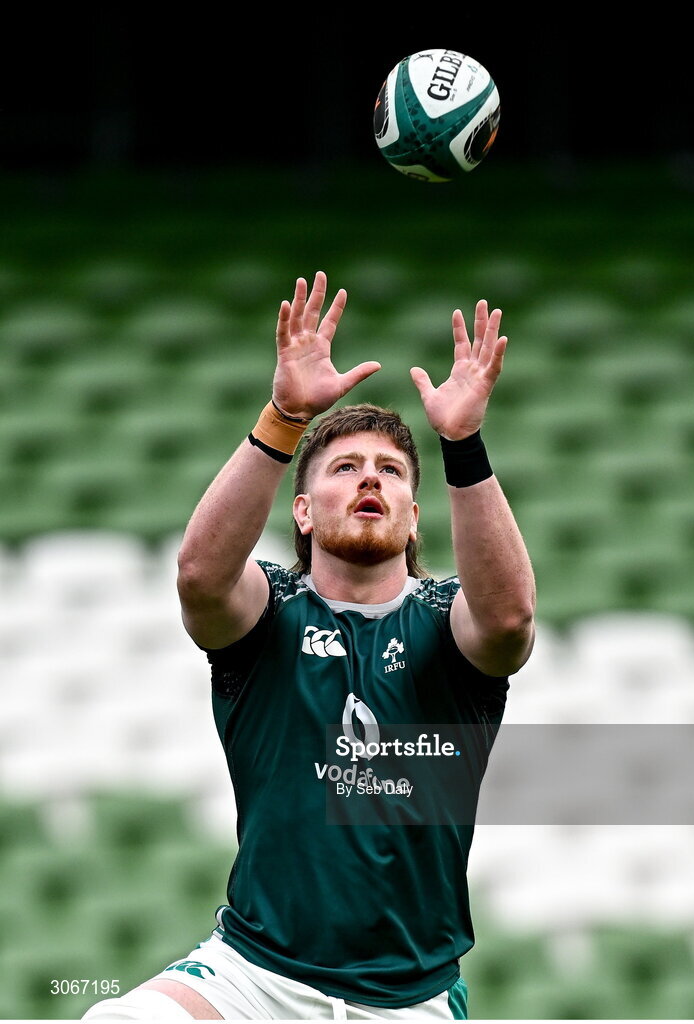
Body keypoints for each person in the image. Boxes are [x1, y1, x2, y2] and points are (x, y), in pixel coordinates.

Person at [82, 271, 535, 1021]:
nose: (370, 480)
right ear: (301, 509)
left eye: (391, 471)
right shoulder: (270, 614)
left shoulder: (447, 620)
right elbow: (199, 578)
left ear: (414, 515)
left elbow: (511, 622)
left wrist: (462, 443)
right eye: (345, 468)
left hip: (409, 999)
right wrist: (285, 417)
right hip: (252, 978)